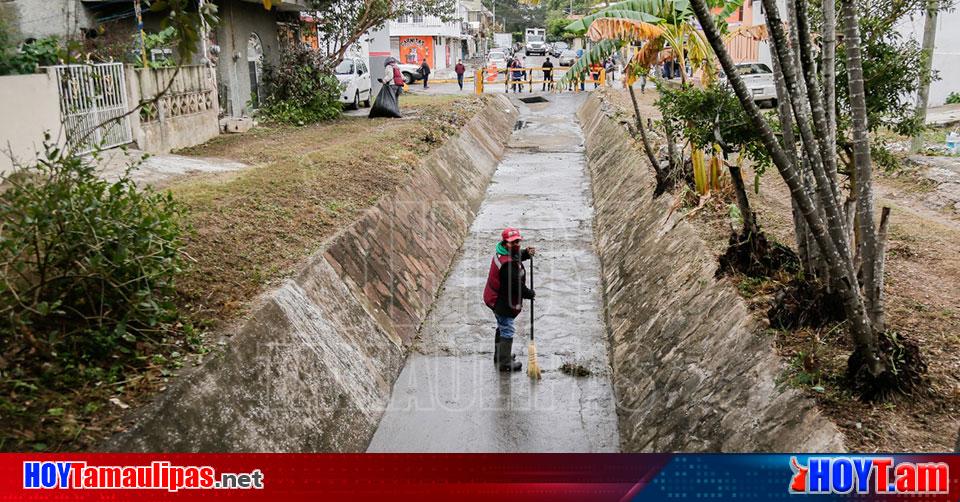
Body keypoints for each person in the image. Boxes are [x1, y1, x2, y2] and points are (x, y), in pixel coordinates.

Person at [483, 228, 536, 372]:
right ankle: (505, 363)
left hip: (495, 297)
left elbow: (515, 256)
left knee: (502, 326)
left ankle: (499, 355)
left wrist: (525, 253)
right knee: (507, 329)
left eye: (518, 241)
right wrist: (529, 293)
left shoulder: (503, 252)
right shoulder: (507, 266)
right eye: (513, 242)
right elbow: (516, 287)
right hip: (501, 301)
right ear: (506, 243)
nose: (517, 244)